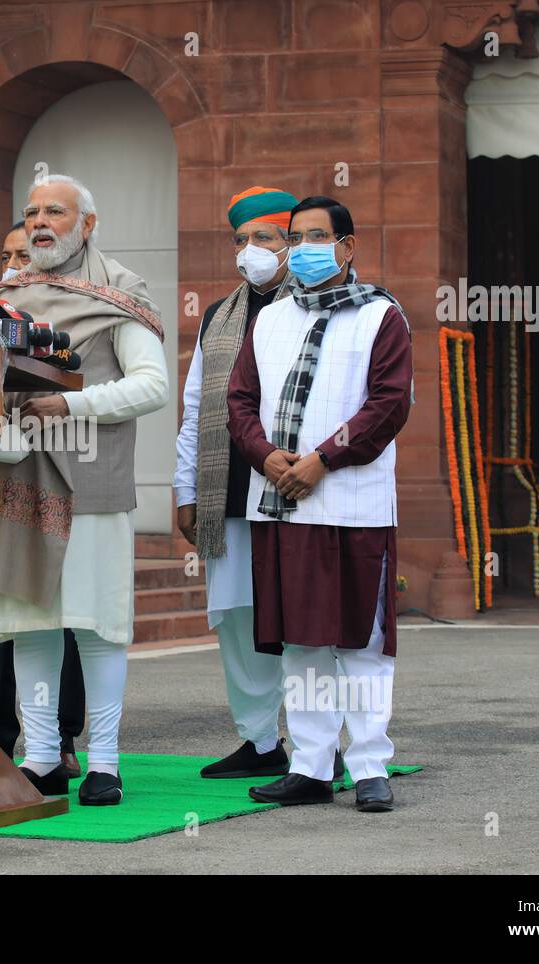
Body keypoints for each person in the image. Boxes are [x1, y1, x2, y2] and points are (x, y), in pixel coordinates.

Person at [0, 174, 169, 806]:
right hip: (16, 481)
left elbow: (150, 386)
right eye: (31, 213)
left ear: (88, 223)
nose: (40, 222)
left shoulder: (120, 291)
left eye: (56, 211)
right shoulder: (4, 298)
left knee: (96, 627)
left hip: (91, 483)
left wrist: (68, 404)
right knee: (31, 626)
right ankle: (43, 758)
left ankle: (105, 762)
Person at [227, 196, 412, 813]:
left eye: (317, 236)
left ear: (347, 246)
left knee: (360, 642)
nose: (304, 248)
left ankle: (368, 767)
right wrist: (266, 457)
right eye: (296, 237)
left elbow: (388, 405)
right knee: (303, 644)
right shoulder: (270, 319)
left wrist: (322, 459)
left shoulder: (381, 316)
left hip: (352, 505)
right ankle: (309, 767)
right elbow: (240, 400)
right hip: (280, 502)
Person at [174, 187, 300, 779]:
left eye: (264, 239)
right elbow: (196, 403)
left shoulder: (322, 306)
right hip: (227, 486)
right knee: (239, 616)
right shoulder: (220, 315)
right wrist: (184, 489)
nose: (249, 251)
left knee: (301, 614)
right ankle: (260, 742)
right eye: (241, 241)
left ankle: (315, 743)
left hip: (299, 486)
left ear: (291, 244)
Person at [0, 221, 88, 777]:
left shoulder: (65, 314)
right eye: (5, 255)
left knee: (50, 611)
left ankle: (59, 739)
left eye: (23, 256)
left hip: (51, 476)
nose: (13, 266)